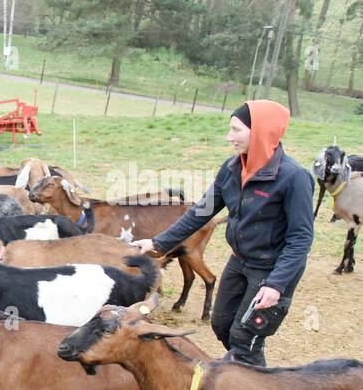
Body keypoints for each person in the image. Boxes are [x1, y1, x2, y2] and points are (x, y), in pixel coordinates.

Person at [133, 100, 314, 366]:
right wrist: (158, 242)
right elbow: (200, 212)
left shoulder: (294, 177)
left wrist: (276, 285)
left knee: (245, 334)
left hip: (271, 269)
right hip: (240, 261)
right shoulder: (231, 169)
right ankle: (247, 366)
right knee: (221, 324)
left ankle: (251, 383)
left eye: (236, 130)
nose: (229, 137)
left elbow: (301, 239)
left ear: (261, 131)